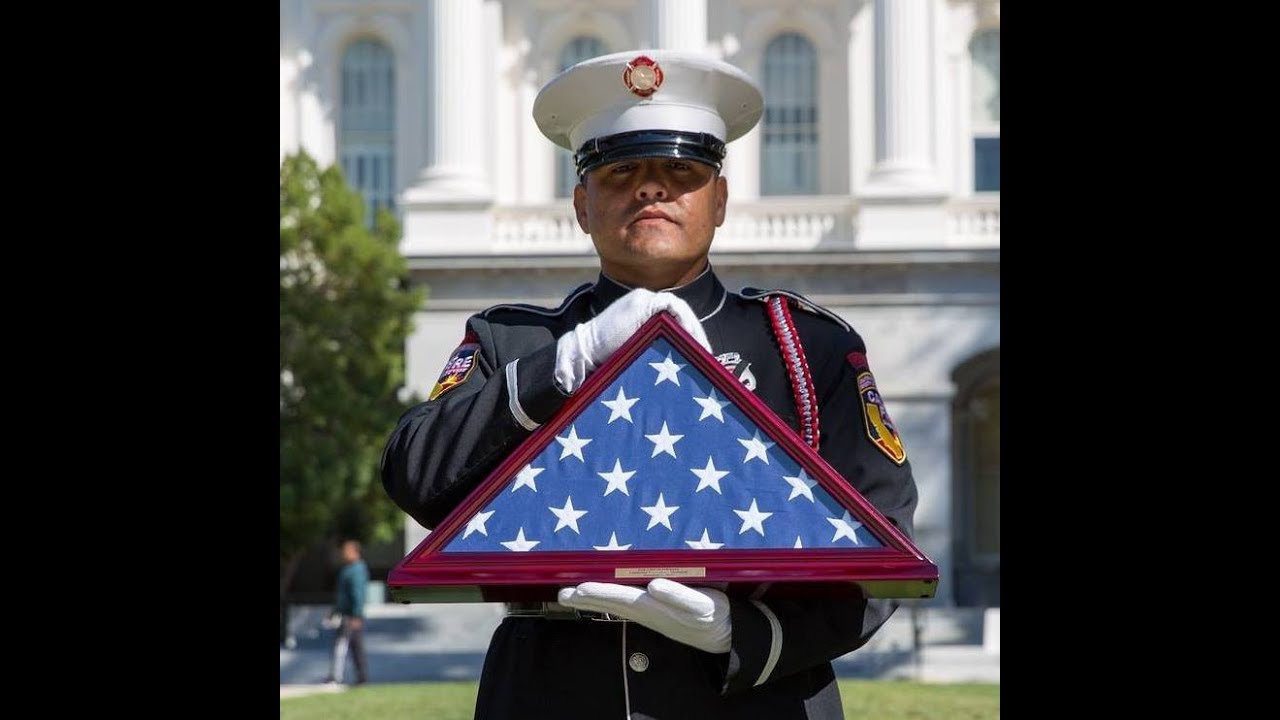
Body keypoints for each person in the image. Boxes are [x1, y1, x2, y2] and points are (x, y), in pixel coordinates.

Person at [381, 49, 918, 719]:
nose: (651, 189)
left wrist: (742, 635)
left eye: (681, 171)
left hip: (753, 698)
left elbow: (882, 545)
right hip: (555, 689)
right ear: (582, 205)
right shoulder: (514, 344)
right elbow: (417, 476)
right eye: (621, 171)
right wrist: (567, 365)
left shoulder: (807, 348)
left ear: (719, 201)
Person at [324, 539, 370, 687]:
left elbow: (358, 594)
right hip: (344, 613)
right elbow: (341, 596)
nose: (344, 554)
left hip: (351, 615)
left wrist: (356, 615)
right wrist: (334, 611)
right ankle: (360, 677)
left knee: (343, 645)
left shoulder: (357, 570)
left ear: (355, 552)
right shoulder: (347, 569)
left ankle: (337, 677)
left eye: (347, 551)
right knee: (353, 646)